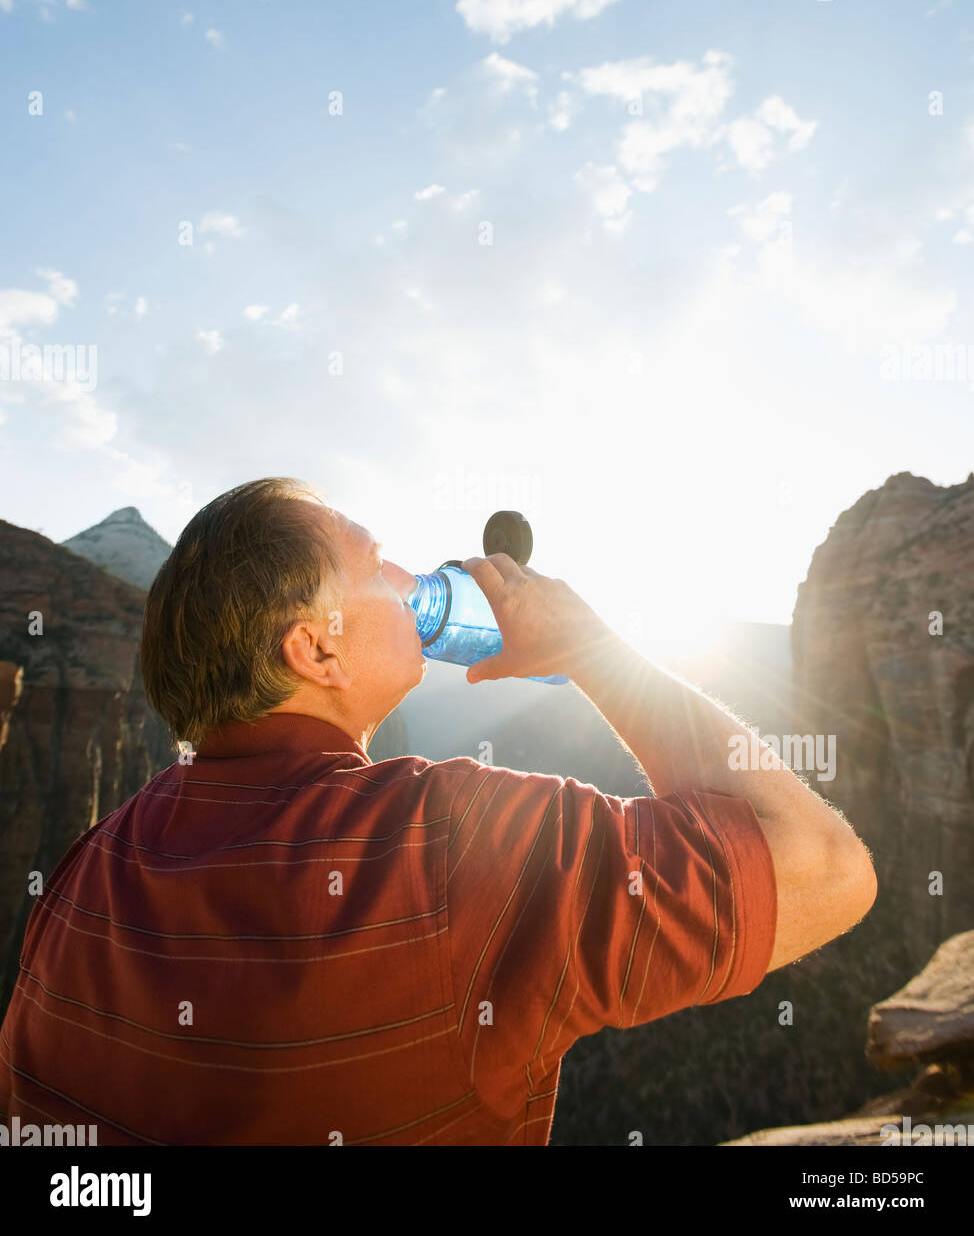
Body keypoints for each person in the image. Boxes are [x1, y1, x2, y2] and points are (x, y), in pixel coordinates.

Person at [0, 478, 876, 1145]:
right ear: (317, 647)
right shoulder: (450, 841)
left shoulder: (83, 872)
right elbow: (824, 868)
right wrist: (598, 651)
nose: (410, 574)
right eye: (373, 559)